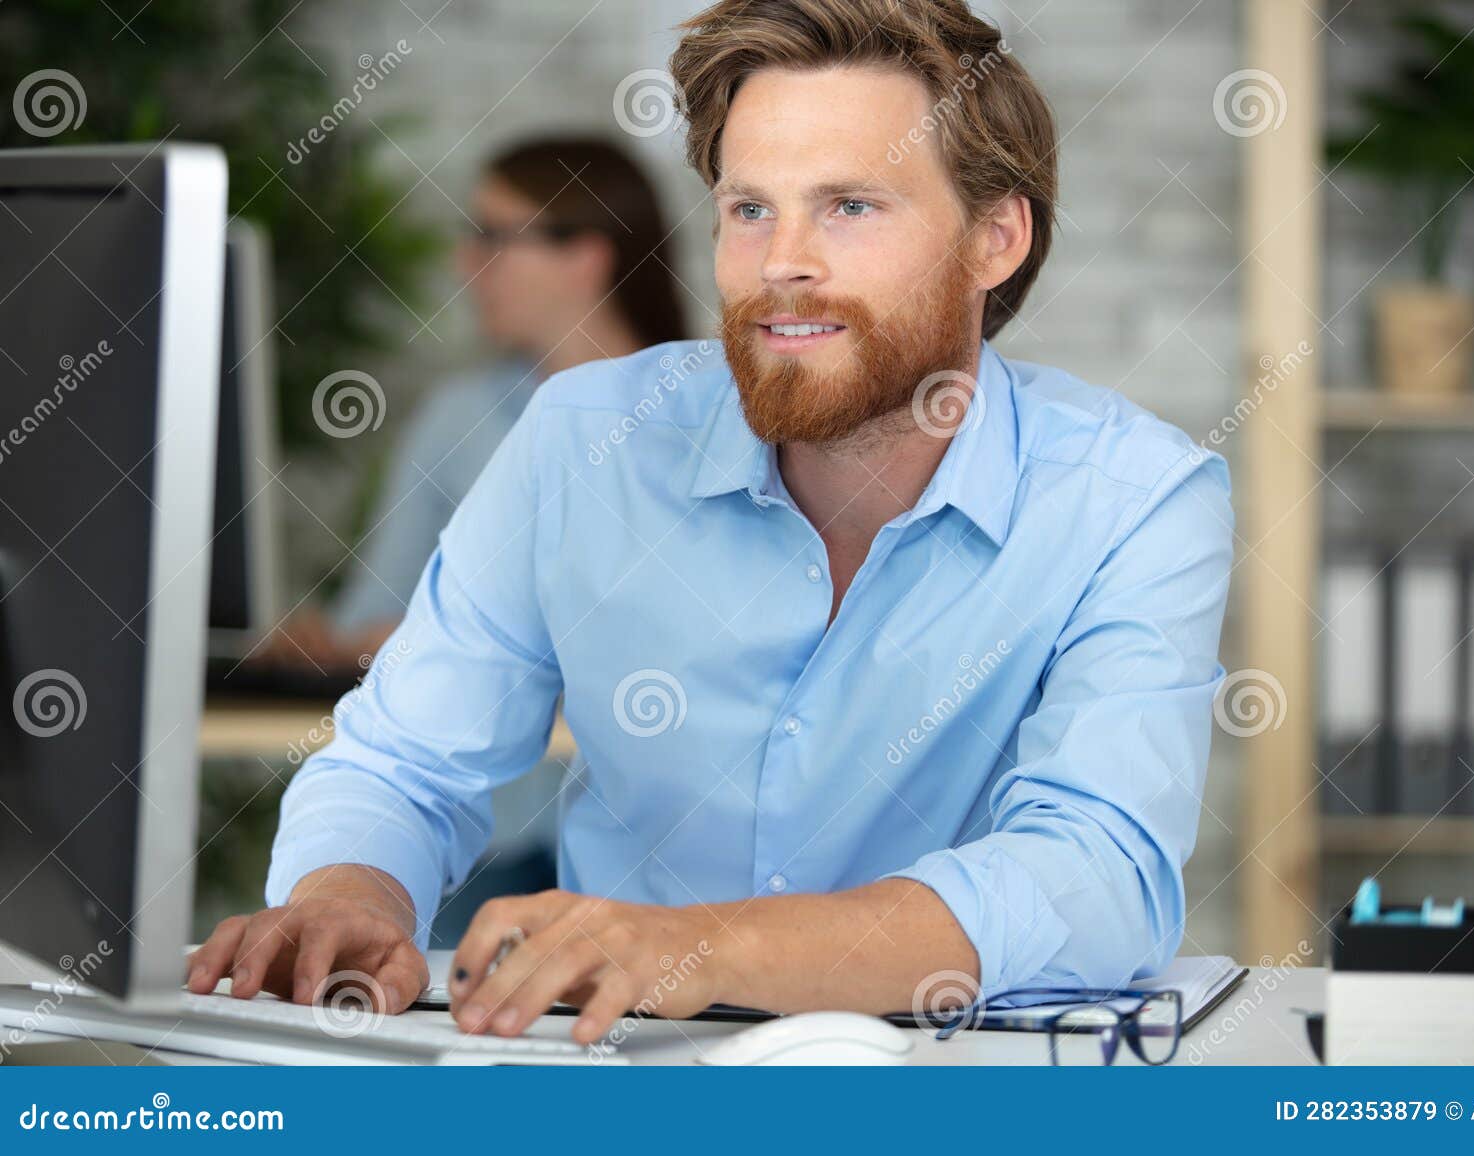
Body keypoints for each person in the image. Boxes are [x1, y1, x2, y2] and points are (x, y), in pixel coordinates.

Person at [188, 0, 1234, 1048]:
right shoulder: (582, 438)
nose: (782, 262)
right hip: (623, 1078)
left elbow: (1095, 870)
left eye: (851, 207)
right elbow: (405, 763)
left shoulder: (1131, 496)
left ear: (994, 238)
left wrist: (695, 949)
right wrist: (347, 900)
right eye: (748, 210)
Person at [259, 136, 687, 672]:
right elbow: (372, 618)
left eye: (492, 237)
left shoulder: (702, 419)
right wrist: (325, 648)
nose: (466, 263)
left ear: (585, 258)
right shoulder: (458, 416)